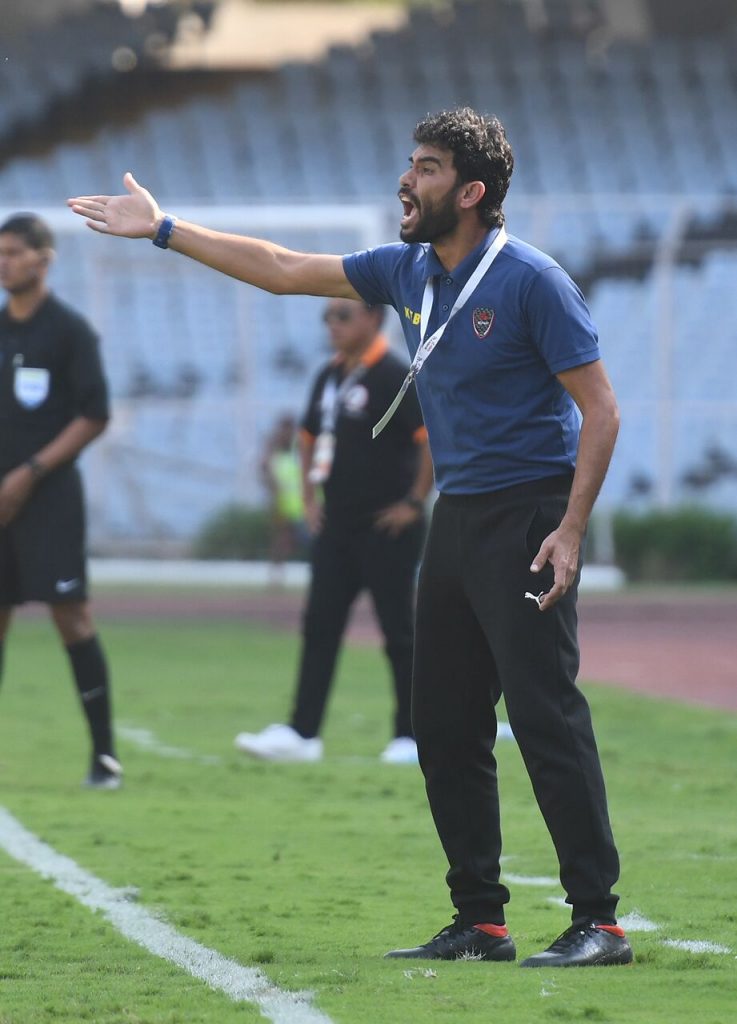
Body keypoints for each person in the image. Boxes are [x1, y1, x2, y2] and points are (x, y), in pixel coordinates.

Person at [67, 106, 632, 965]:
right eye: (410, 162)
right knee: (442, 724)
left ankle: (598, 919)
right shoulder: (409, 271)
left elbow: (601, 409)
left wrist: (569, 528)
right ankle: (480, 921)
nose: (407, 179)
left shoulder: (530, 281)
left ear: (472, 192)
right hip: (460, 518)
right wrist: (166, 229)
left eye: (428, 167)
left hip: (527, 512)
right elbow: (286, 268)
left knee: (545, 717)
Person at [236, 299, 432, 763]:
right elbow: (307, 440)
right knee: (319, 626)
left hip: (387, 527)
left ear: (373, 319)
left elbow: (431, 441)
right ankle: (303, 733)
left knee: (399, 631)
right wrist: (308, 499)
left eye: (342, 316)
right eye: (327, 317)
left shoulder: (395, 376)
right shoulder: (329, 375)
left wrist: (413, 503)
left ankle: (411, 734)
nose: (332, 326)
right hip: (337, 527)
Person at [0, 213, 121, 790]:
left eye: (15, 252)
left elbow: (95, 414)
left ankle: (104, 757)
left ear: (44, 260)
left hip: (47, 499)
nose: (4, 262)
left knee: (71, 616)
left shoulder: (70, 331)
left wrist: (30, 472)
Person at [259, 413, 306, 581]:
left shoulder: (299, 447)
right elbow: (265, 472)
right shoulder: (272, 449)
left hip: (302, 501)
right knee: (281, 538)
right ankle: (277, 574)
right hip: (282, 501)